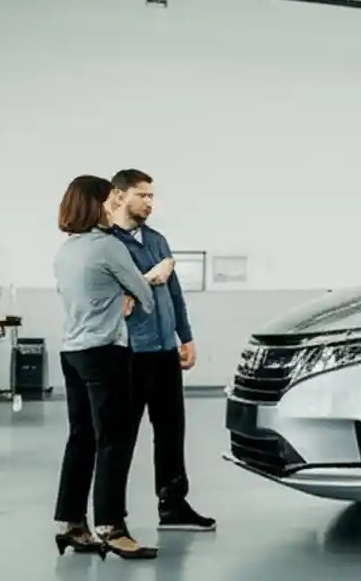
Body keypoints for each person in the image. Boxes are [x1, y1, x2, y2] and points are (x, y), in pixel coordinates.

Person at [52, 175, 160, 560]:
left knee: (81, 437)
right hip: (105, 352)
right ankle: (112, 527)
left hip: (73, 352)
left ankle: (71, 524)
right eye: (111, 201)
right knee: (114, 441)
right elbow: (145, 296)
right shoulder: (108, 246)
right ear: (95, 205)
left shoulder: (66, 250)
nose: (115, 207)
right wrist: (146, 283)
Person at [109, 168, 215, 532]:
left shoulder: (157, 239)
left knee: (171, 429)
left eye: (152, 196)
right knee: (122, 434)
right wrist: (150, 275)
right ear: (120, 195)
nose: (150, 202)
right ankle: (112, 516)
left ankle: (173, 504)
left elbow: (174, 294)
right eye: (143, 195)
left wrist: (185, 336)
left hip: (164, 349)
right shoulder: (108, 243)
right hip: (130, 351)